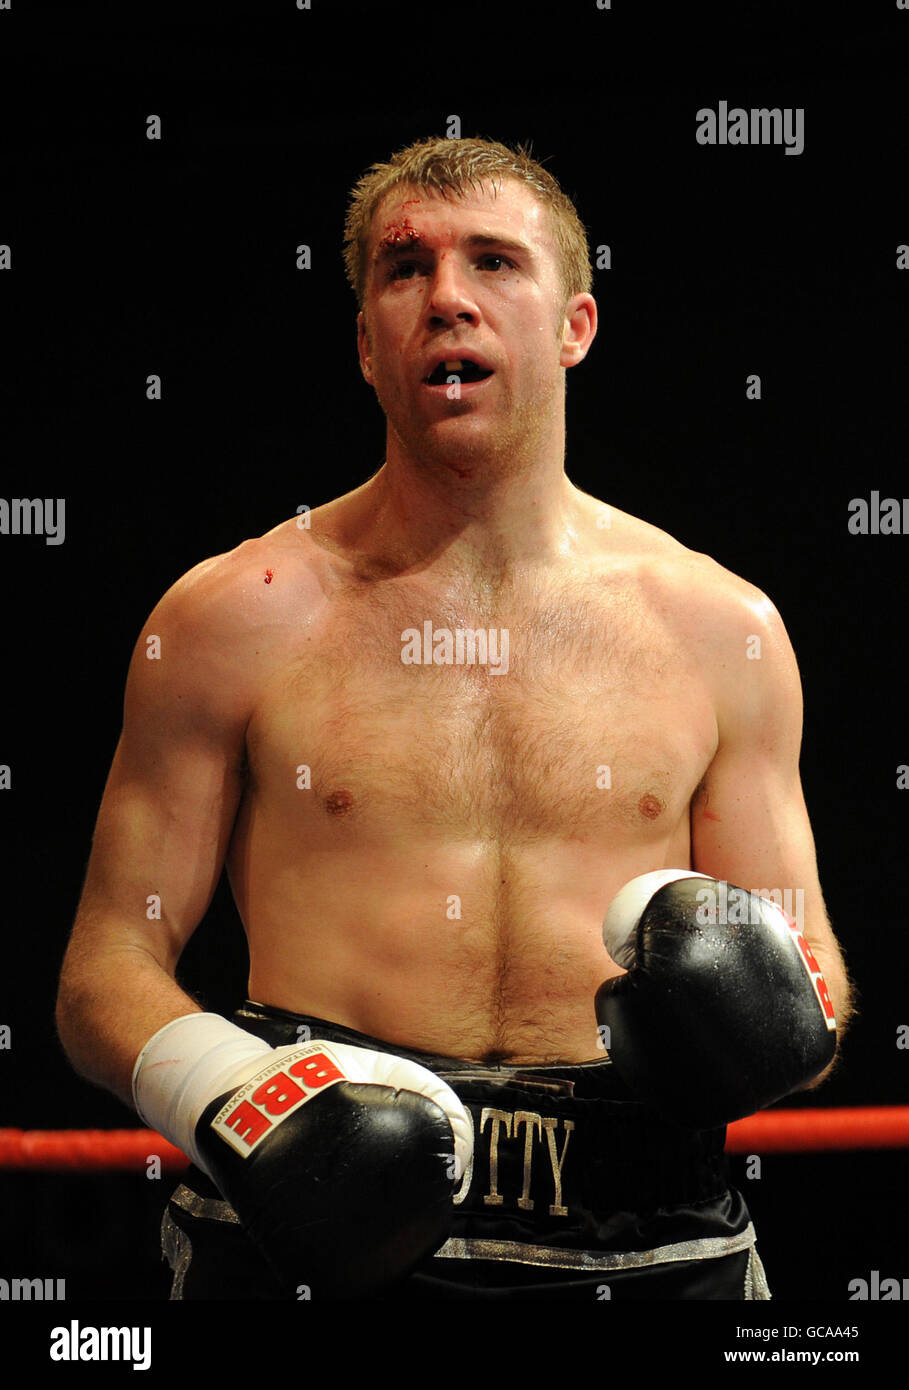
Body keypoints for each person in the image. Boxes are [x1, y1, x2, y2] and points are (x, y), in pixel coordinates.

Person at [55, 136, 852, 1300]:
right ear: (366, 342)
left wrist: (773, 1018)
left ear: (576, 325)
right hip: (304, 1238)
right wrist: (229, 1087)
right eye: (402, 269)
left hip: (651, 1246)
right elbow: (101, 971)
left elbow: (815, 965)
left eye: (493, 262)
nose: (447, 299)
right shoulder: (232, 617)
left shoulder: (720, 626)